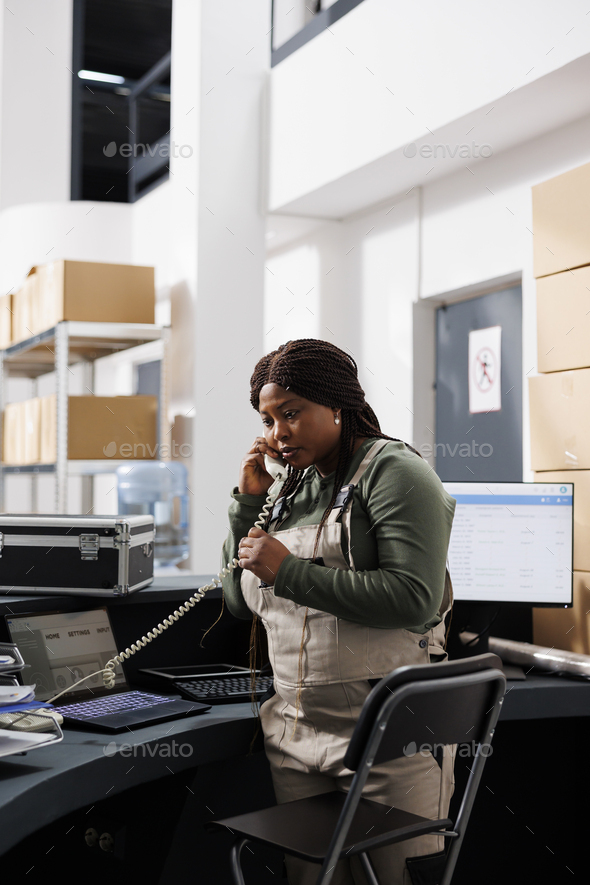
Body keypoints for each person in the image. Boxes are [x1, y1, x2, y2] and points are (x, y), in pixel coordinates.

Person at [221, 338, 456, 885]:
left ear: (336, 404)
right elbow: (237, 602)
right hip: (295, 732)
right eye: (269, 418)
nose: (279, 432)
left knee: (393, 877)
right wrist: (247, 503)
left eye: (292, 412)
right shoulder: (286, 492)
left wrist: (289, 572)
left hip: (388, 736)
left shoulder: (396, 473)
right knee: (311, 879)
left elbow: (413, 597)